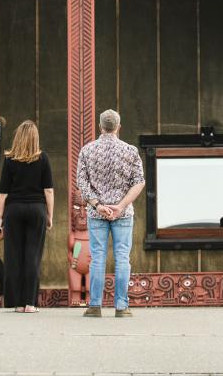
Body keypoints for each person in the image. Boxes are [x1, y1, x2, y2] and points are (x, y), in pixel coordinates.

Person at [76, 109, 144, 317]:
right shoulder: (130, 151)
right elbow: (139, 182)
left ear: (100, 127)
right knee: (122, 257)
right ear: (118, 127)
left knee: (97, 258)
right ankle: (121, 307)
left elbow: (81, 183)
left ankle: (95, 305)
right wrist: (121, 205)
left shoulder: (87, 150)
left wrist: (97, 205)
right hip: (122, 213)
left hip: (97, 213)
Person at [0, 120, 53, 313]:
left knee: (13, 256)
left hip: (14, 209)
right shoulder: (43, 158)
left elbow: (3, 192)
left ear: (18, 137)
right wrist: (50, 215)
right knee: (32, 256)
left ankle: (16, 303)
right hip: (37, 208)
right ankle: (30, 303)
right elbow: (49, 191)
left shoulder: (9, 159)